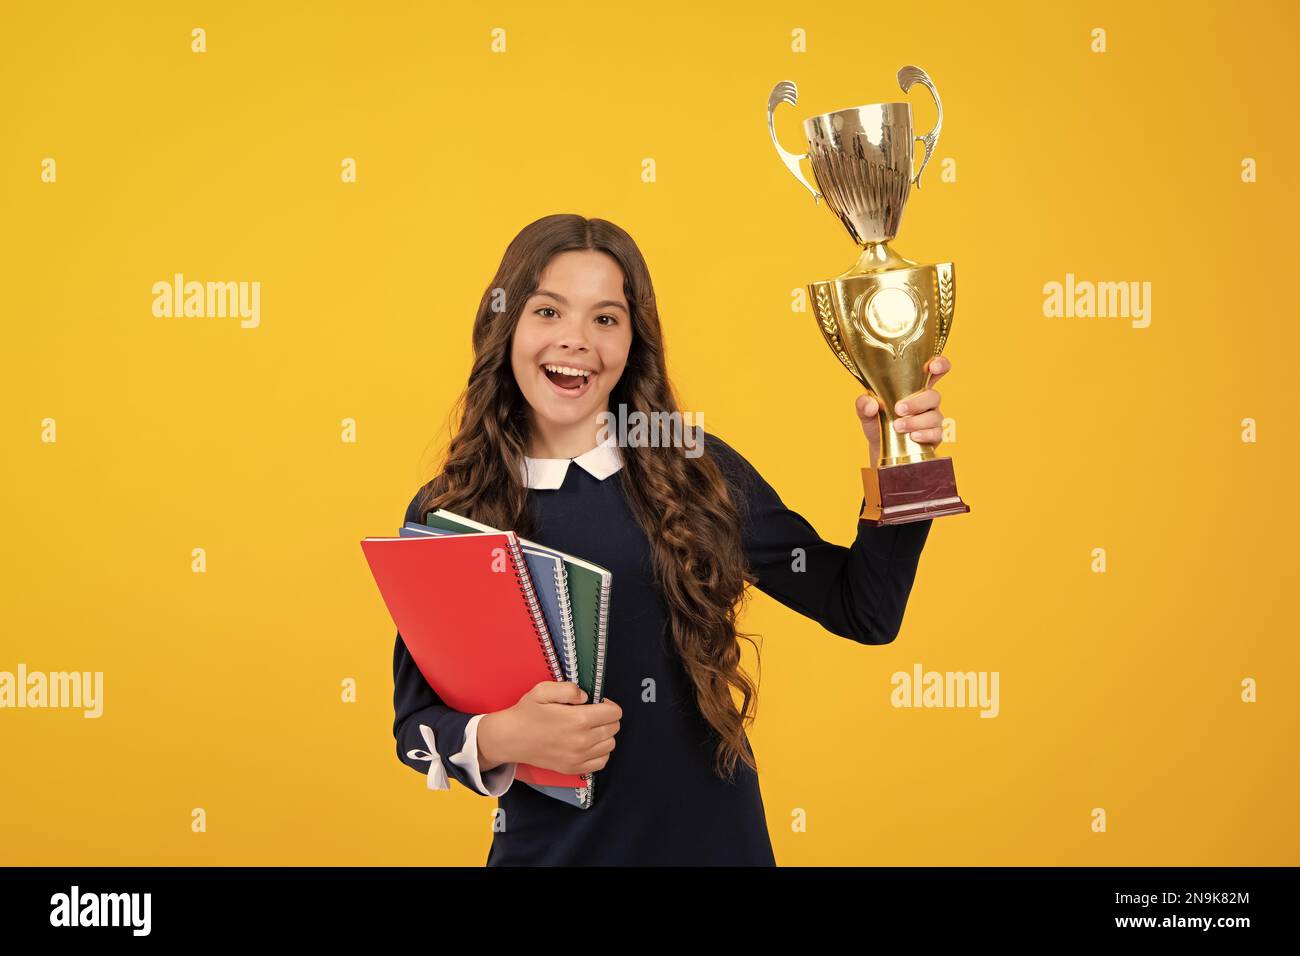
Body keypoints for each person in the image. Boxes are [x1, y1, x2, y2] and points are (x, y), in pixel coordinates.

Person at [390, 213, 950, 865]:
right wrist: (504, 736)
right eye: (548, 311)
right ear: (504, 325)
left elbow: (866, 610)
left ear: (634, 343)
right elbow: (415, 728)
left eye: (605, 318)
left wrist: (904, 464)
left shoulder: (694, 467)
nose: (576, 340)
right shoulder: (451, 511)